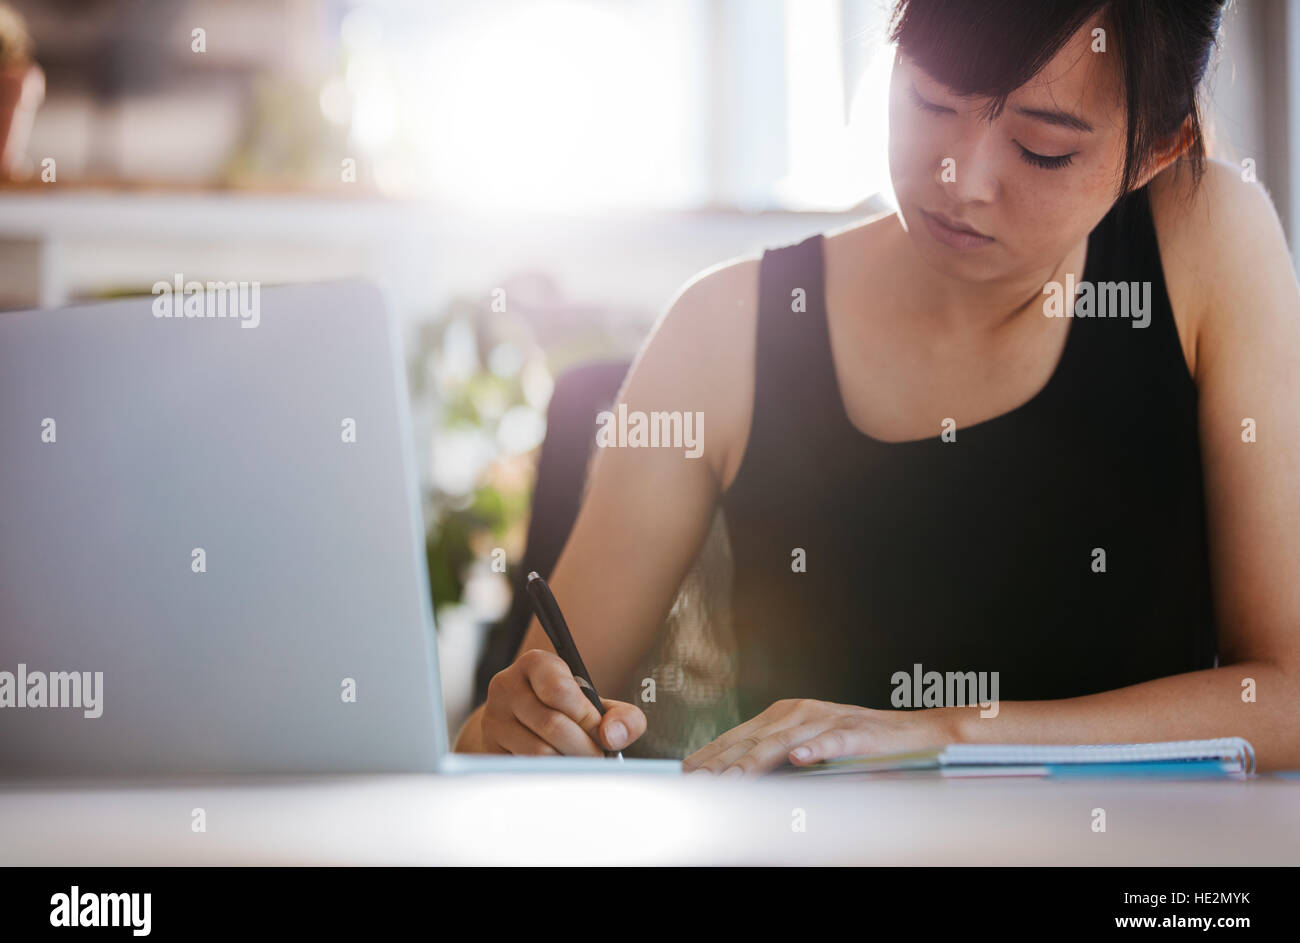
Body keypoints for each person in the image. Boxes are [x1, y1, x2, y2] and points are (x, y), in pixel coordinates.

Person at [455, 0, 1300, 773]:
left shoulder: (1203, 240)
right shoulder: (723, 328)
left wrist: (948, 731)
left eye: (1044, 149)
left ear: (1156, 152)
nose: (959, 181)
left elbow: (1289, 693)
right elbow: (518, 734)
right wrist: (521, 725)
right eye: (932, 103)